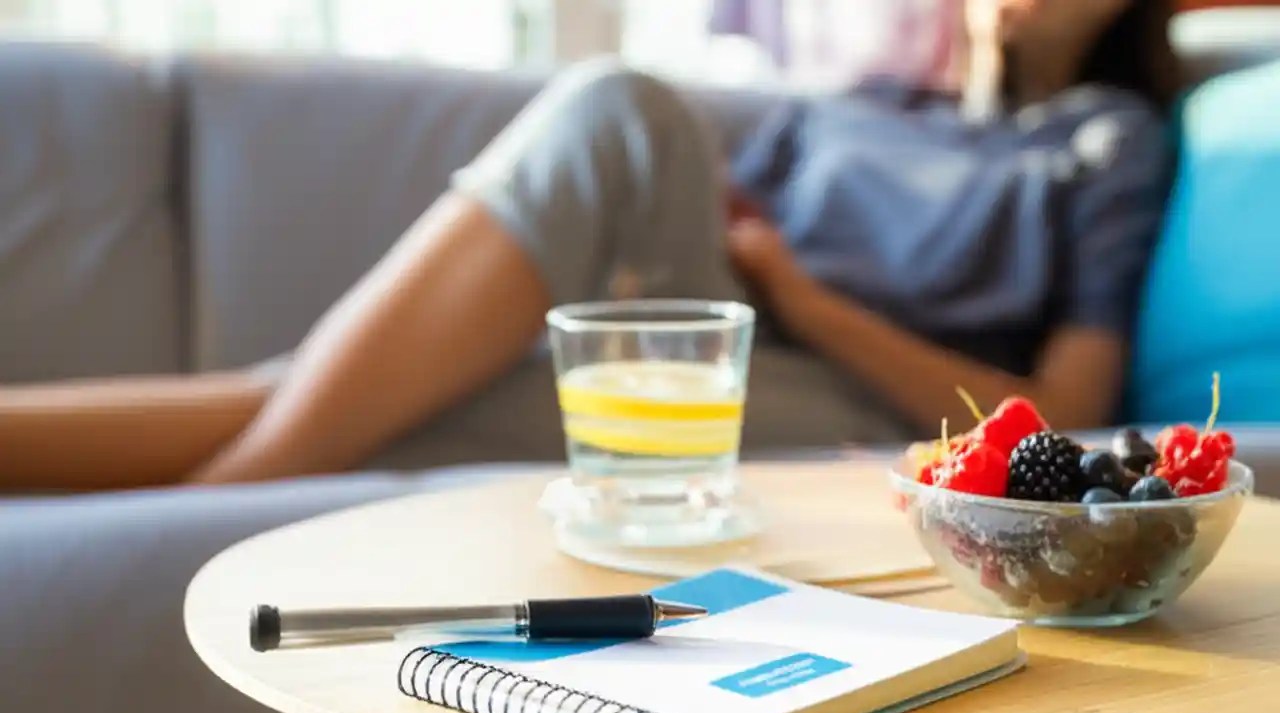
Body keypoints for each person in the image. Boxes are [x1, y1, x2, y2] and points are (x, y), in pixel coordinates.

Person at [0, 0, 1182, 491]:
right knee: (621, 120)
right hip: (720, 314)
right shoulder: (863, 104)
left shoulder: (1109, 142)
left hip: (858, 401)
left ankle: (246, 482)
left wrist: (803, 304)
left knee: (359, 401)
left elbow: (1056, 415)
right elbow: (698, 232)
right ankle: (259, 476)